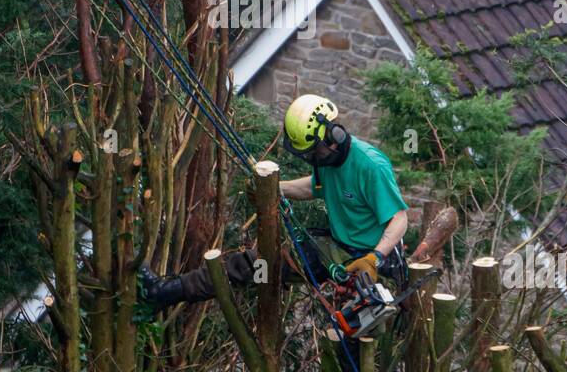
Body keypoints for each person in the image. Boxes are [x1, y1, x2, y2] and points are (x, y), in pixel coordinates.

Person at [139, 94, 409, 308]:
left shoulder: (371, 166)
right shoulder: (327, 160)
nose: (311, 159)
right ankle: (165, 292)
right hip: (335, 247)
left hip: (369, 258)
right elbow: (313, 187)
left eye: (313, 152)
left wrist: (375, 258)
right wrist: (273, 188)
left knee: (354, 327)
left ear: (333, 136)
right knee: (256, 264)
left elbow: (399, 218)